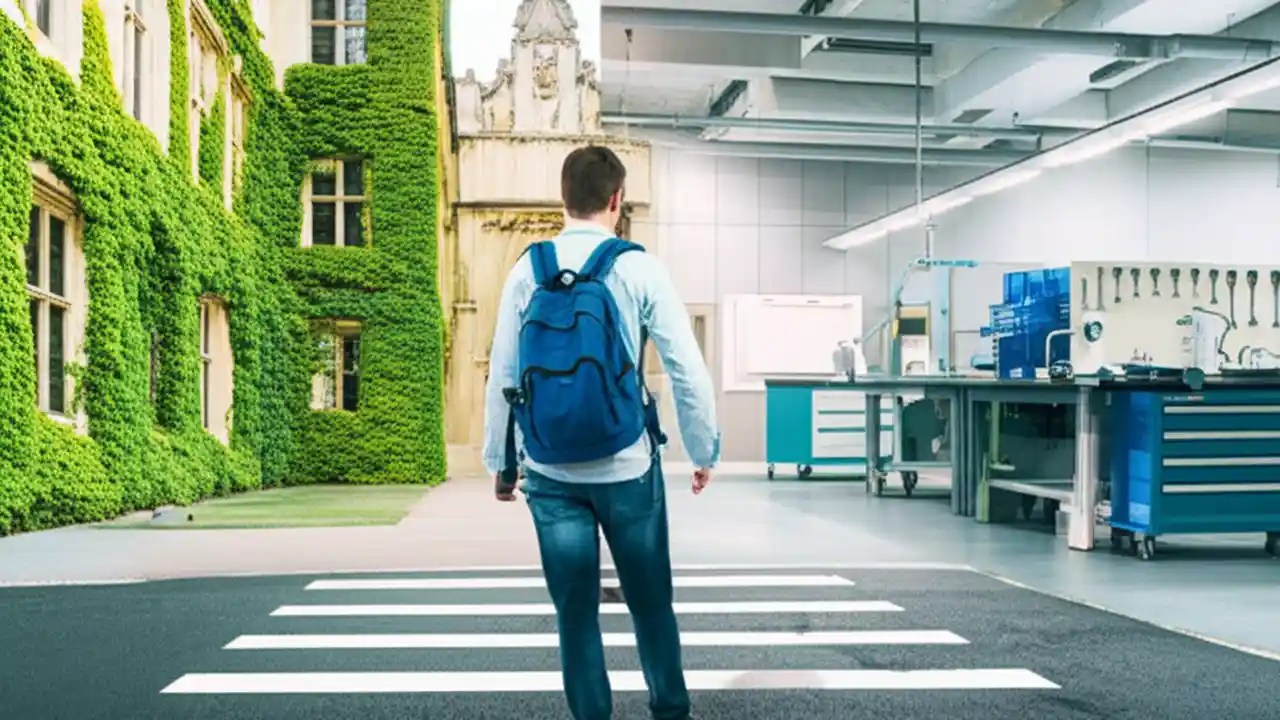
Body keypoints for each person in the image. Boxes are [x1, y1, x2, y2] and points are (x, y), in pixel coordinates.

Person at [482, 145, 720, 720]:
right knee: (650, 602)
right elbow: (685, 365)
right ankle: (669, 708)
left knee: (575, 611)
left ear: (563, 199)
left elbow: (504, 376)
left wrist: (503, 463)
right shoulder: (638, 266)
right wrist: (702, 448)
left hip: (549, 470)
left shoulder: (526, 269)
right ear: (616, 200)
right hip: (627, 466)